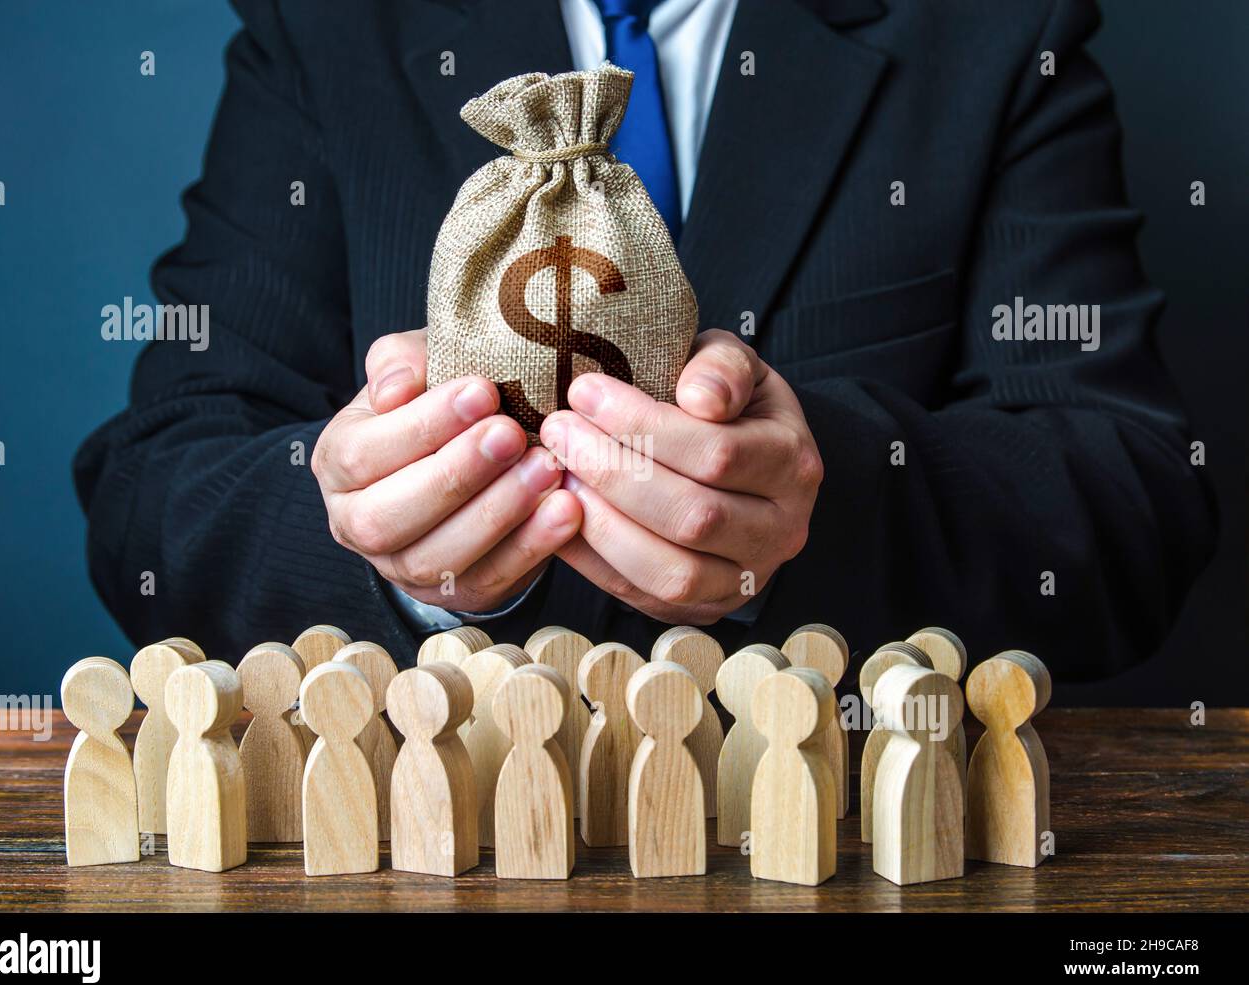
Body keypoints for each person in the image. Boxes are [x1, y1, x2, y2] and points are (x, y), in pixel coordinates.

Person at [74, 0, 1215, 680]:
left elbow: (1134, 497)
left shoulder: (994, 29)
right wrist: (380, 538)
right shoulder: (332, 29)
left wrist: (825, 492)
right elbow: (153, 489)